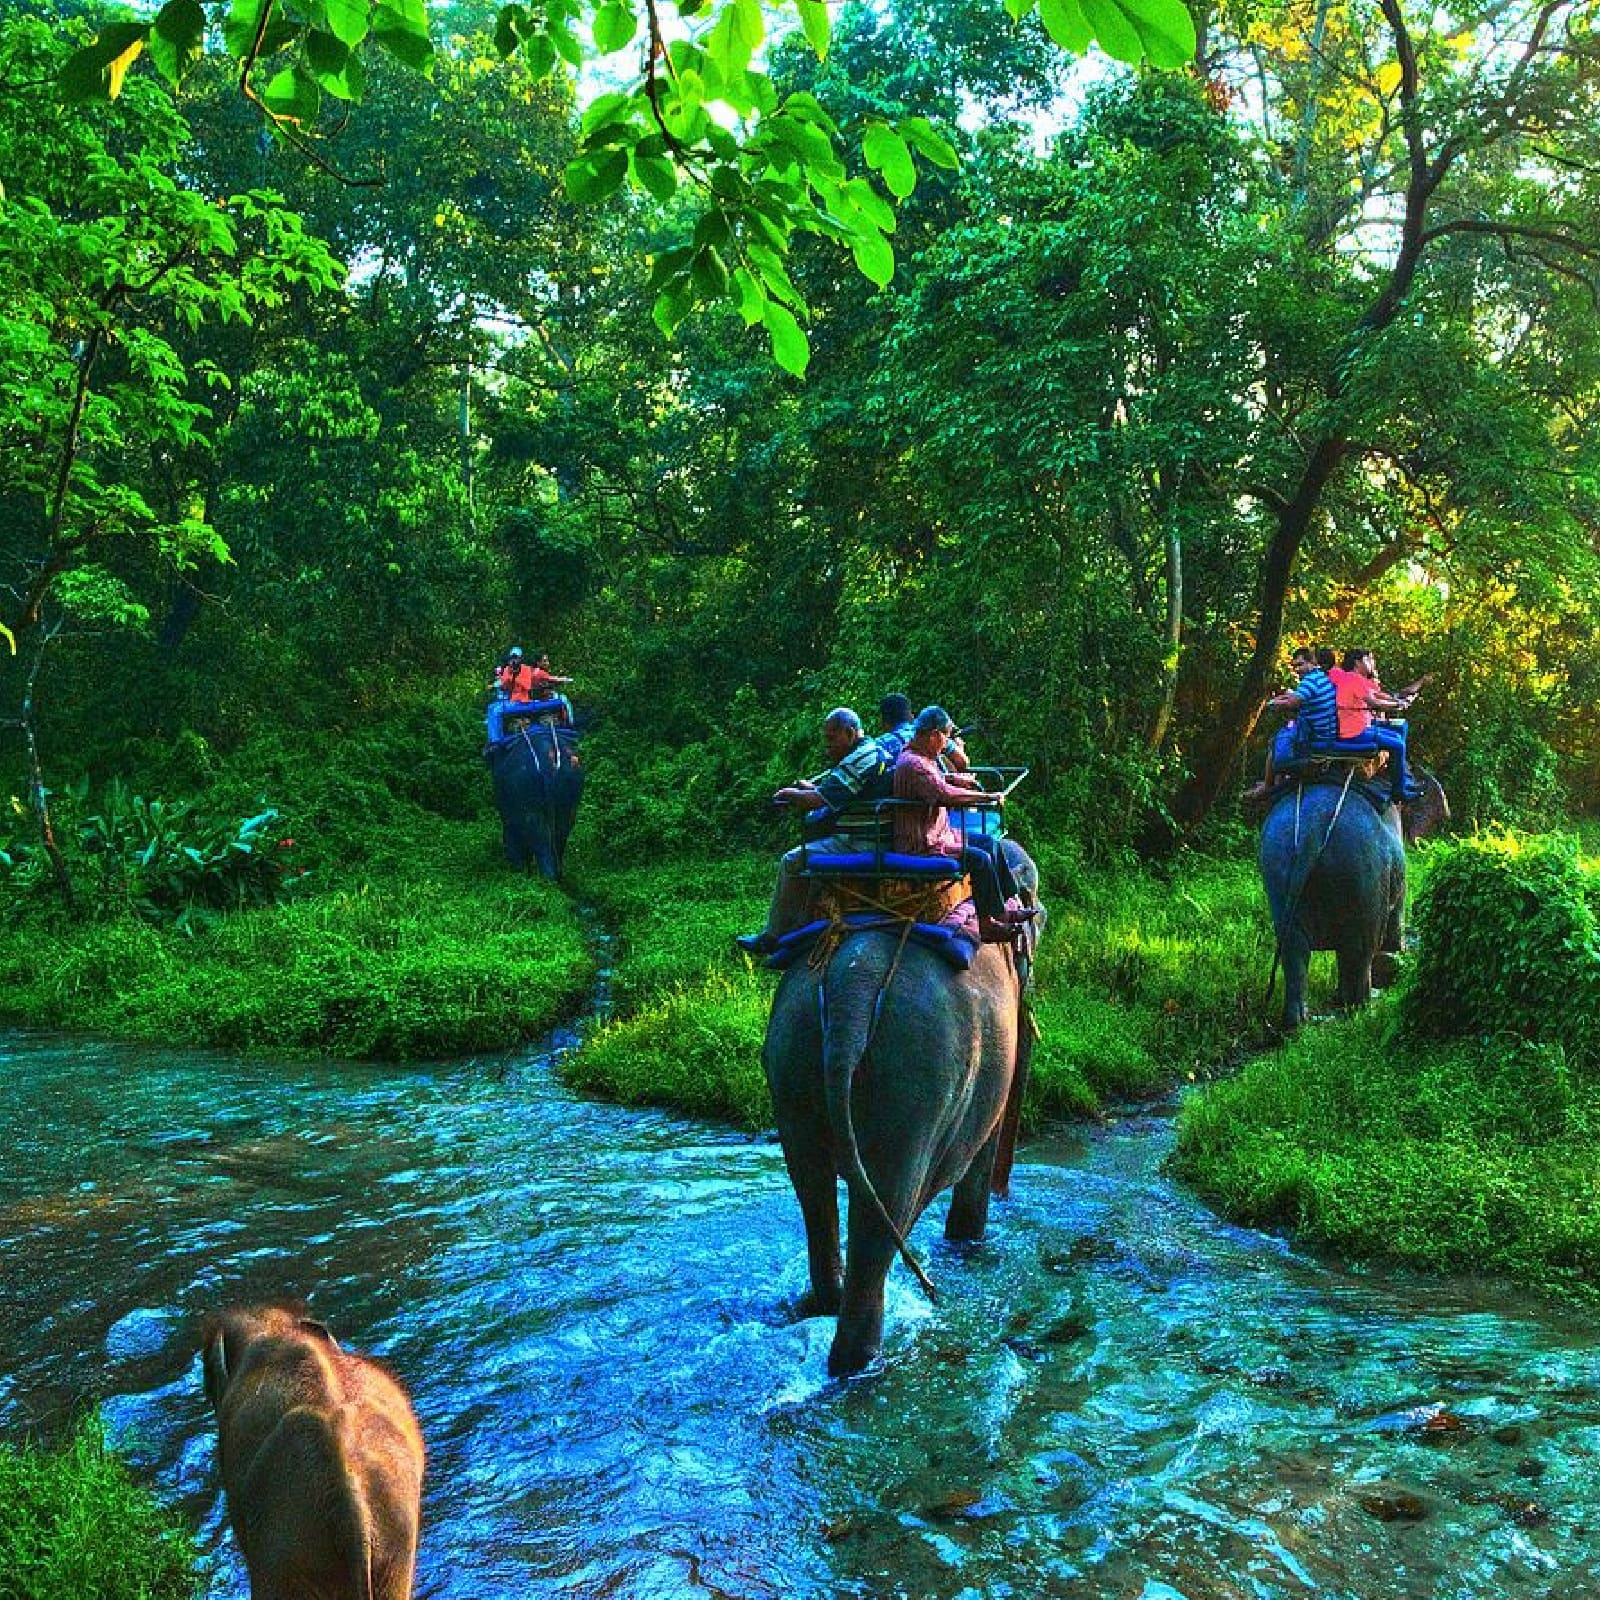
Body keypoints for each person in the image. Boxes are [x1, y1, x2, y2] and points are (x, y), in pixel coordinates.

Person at [735, 708, 890, 954]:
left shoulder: (860, 758)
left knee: (792, 860)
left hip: (859, 840)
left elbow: (819, 800)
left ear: (849, 733)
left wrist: (789, 795)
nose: (828, 746)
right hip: (863, 836)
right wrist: (807, 791)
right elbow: (834, 789)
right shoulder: (868, 753)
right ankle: (802, 922)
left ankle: (773, 935)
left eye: (831, 739)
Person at [893, 706, 1036, 943]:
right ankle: (988, 922)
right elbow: (944, 794)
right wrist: (987, 797)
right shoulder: (914, 764)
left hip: (940, 834)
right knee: (980, 859)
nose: (947, 742)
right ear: (933, 735)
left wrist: (955, 778)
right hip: (922, 843)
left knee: (989, 842)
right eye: (946, 736)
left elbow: (938, 782)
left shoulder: (923, 759)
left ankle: (1005, 903)